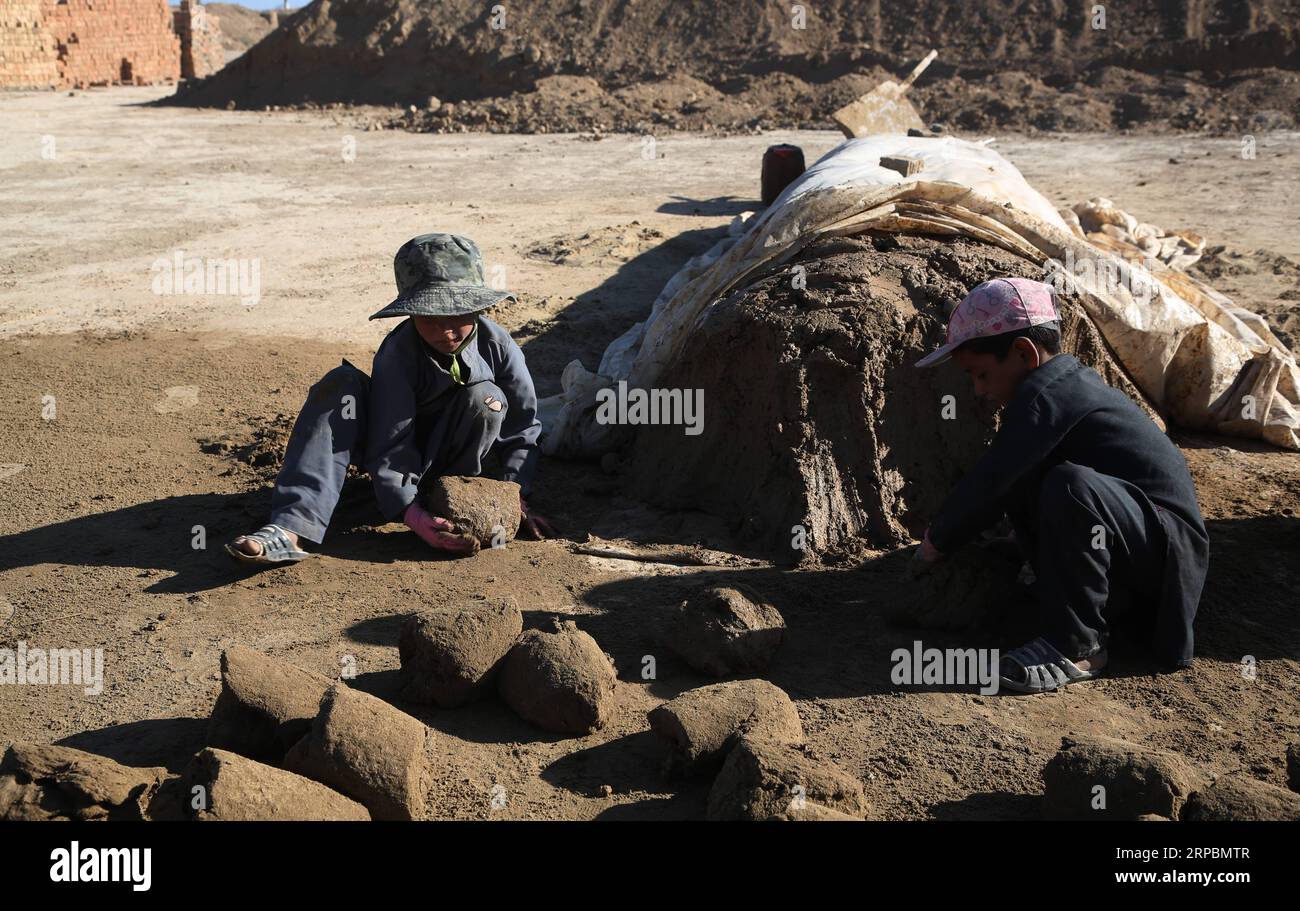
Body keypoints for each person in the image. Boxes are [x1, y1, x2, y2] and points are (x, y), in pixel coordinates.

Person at [909, 277, 1209, 693]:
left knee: (1069, 485)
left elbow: (993, 480)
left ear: (1022, 353)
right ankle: (1075, 604)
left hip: (1166, 553)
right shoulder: (1058, 389)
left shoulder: (1047, 395)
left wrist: (933, 545)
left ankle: (1077, 646)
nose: (979, 391)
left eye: (980, 374)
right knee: (1045, 478)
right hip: (1138, 545)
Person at [226, 232, 552, 564]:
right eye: (430, 320)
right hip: (394, 455)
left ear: (479, 308)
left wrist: (513, 496)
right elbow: (390, 439)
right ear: (410, 313)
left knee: (486, 398)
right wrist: (411, 515)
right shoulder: (397, 354)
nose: (446, 332)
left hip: (455, 465)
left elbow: (522, 429)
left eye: (457, 317)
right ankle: (290, 527)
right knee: (339, 386)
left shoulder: (499, 345)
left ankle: (445, 494)